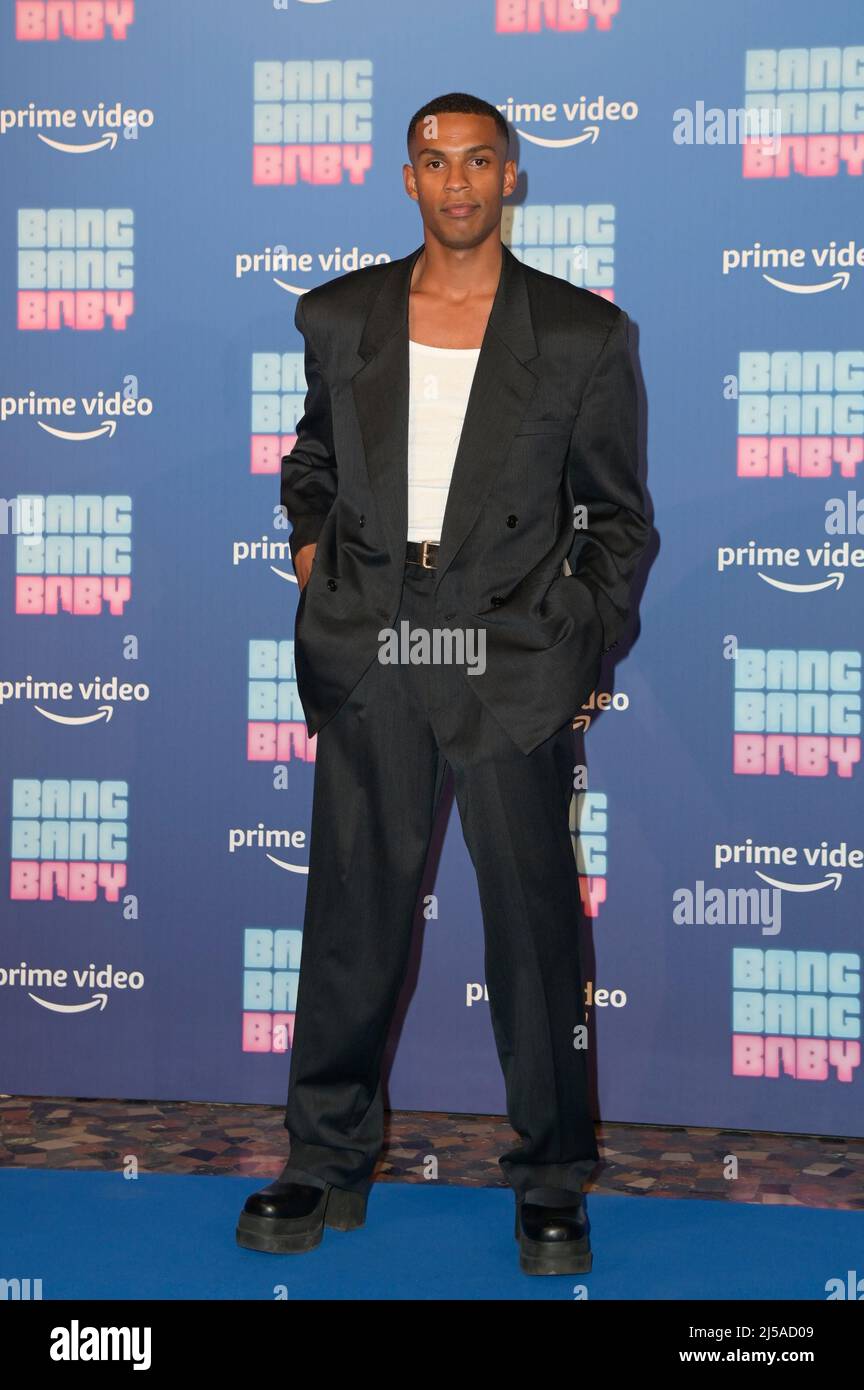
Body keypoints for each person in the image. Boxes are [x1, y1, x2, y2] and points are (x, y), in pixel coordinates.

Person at [236, 91, 651, 1276]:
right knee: (352, 919)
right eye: (434, 161)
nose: (456, 182)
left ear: (512, 177)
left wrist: (571, 638)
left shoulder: (580, 336)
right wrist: (312, 547)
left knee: (531, 928)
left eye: (478, 161)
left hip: (506, 651)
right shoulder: (342, 315)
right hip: (376, 636)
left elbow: (620, 523)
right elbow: (312, 455)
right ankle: (325, 1160)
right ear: (405, 177)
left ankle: (553, 1173)